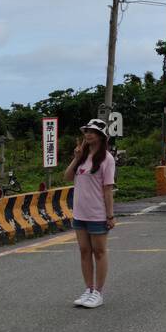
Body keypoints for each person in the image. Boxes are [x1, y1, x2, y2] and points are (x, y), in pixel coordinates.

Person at [69, 118, 116, 308]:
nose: (88, 134)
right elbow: (67, 176)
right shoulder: (82, 156)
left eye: (92, 132)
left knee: (99, 252)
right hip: (80, 213)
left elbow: (108, 189)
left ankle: (98, 292)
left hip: (97, 213)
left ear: (101, 136)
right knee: (84, 251)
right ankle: (88, 289)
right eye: (87, 131)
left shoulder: (107, 159)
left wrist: (110, 215)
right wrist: (76, 157)